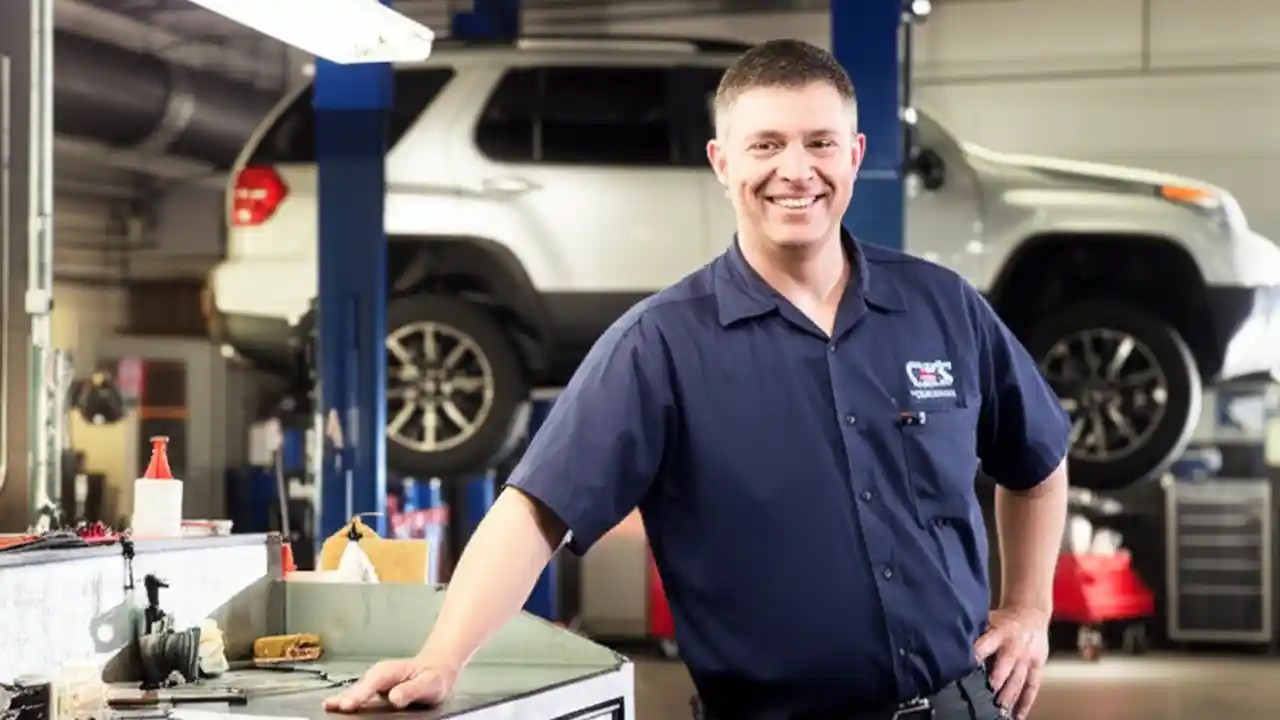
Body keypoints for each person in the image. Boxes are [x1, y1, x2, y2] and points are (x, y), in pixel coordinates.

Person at [324, 38, 1070, 720]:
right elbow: (534, 513)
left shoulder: (944, 308)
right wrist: (441, 656)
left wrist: (1028, 609)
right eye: (766, 145)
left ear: (854, 154)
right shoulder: (661, 347)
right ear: (722, 162)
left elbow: (1037, 464)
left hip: (962, 709)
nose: (795, 169)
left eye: (819, 143)